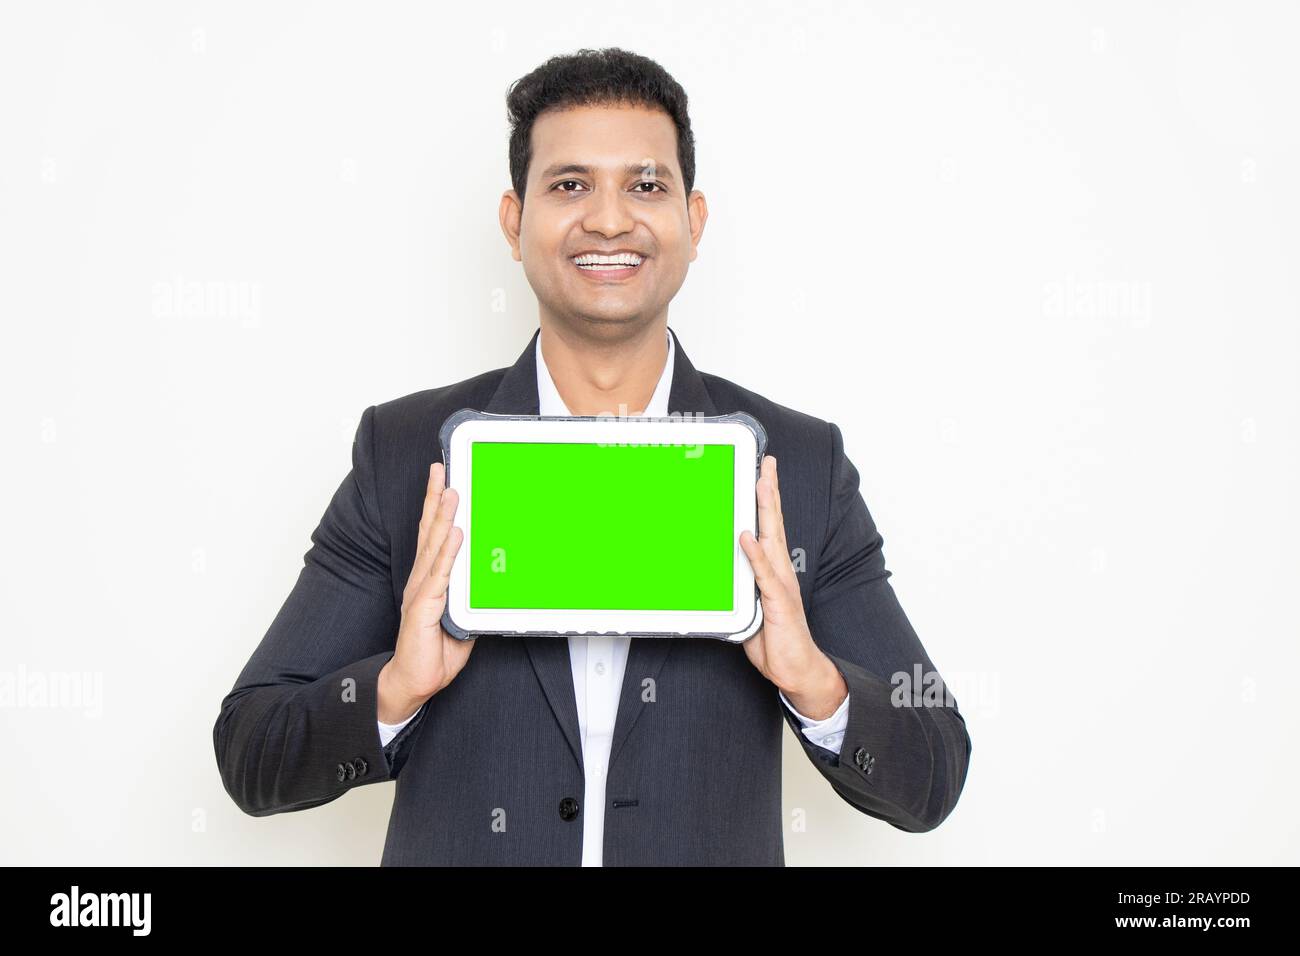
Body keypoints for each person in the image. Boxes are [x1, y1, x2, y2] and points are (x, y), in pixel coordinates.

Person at [213, 47, 971, 866]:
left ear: (694, 221)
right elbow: (253, 752)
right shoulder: (403, 455)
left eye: (646, 186)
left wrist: (812, 680)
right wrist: (396, 686)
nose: (609, 220)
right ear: (514, 222)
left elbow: (935, 771)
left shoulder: (799, 466)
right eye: (570, 185)